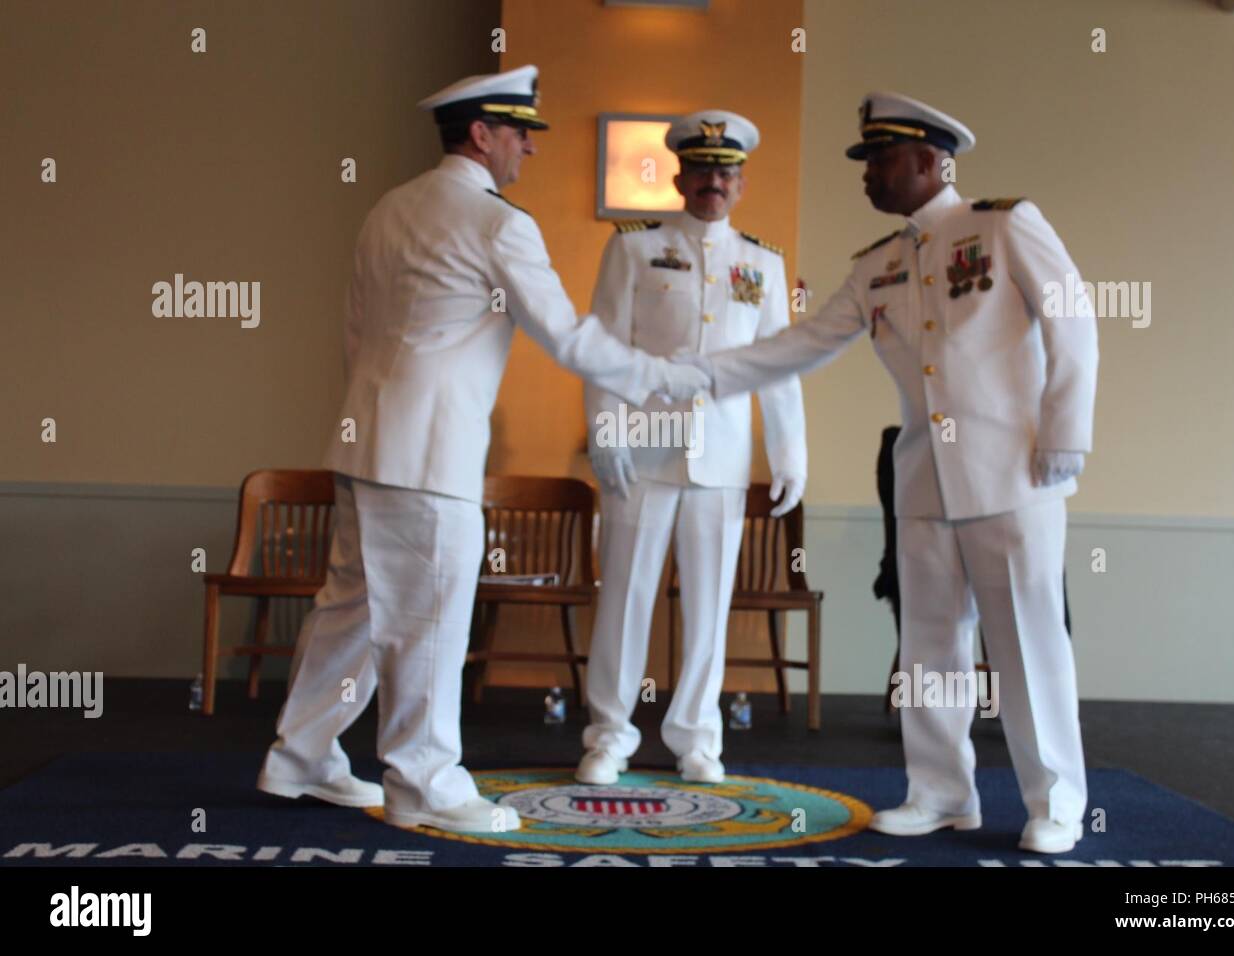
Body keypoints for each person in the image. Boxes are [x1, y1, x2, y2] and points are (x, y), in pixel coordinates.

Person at [256, 65, 710, 833]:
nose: (528, 149)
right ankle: (425, 783)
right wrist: (664, 375)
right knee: (427, 620)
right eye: (519, 133)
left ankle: (301, 755)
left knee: (353, 610)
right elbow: (566, 335)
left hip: (365, 440)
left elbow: (356, 335)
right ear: (480, 134)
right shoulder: (500, 222)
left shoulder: (387, 208)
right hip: (431, 459)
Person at [677, 92, 1099, 853]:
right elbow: (799, 345)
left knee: (1028, 645)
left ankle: (1057, 802)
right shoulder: (878, 266)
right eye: (866, 160)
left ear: (932, 161)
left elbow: (1074, 317)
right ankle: (941, 792)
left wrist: (1067, 428)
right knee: (929, 648)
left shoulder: (1001, 226)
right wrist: (700, 375)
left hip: (1014, 474)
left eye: (880, 159)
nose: (867, 174)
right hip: (925, 481)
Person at [576, 111, 807, 785]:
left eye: (725, 172)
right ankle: (608, 736)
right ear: (679, 175)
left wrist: (790, 452)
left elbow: (779, 365)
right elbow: (604, 351)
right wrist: (606, 431)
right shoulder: (633, 249)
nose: (713, 182)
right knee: (624, 594)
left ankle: (697, 737)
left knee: (709, 602)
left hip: (724, 454)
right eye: (702, 169)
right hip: (644, 447)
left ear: (741, 184)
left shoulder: (763, 263)